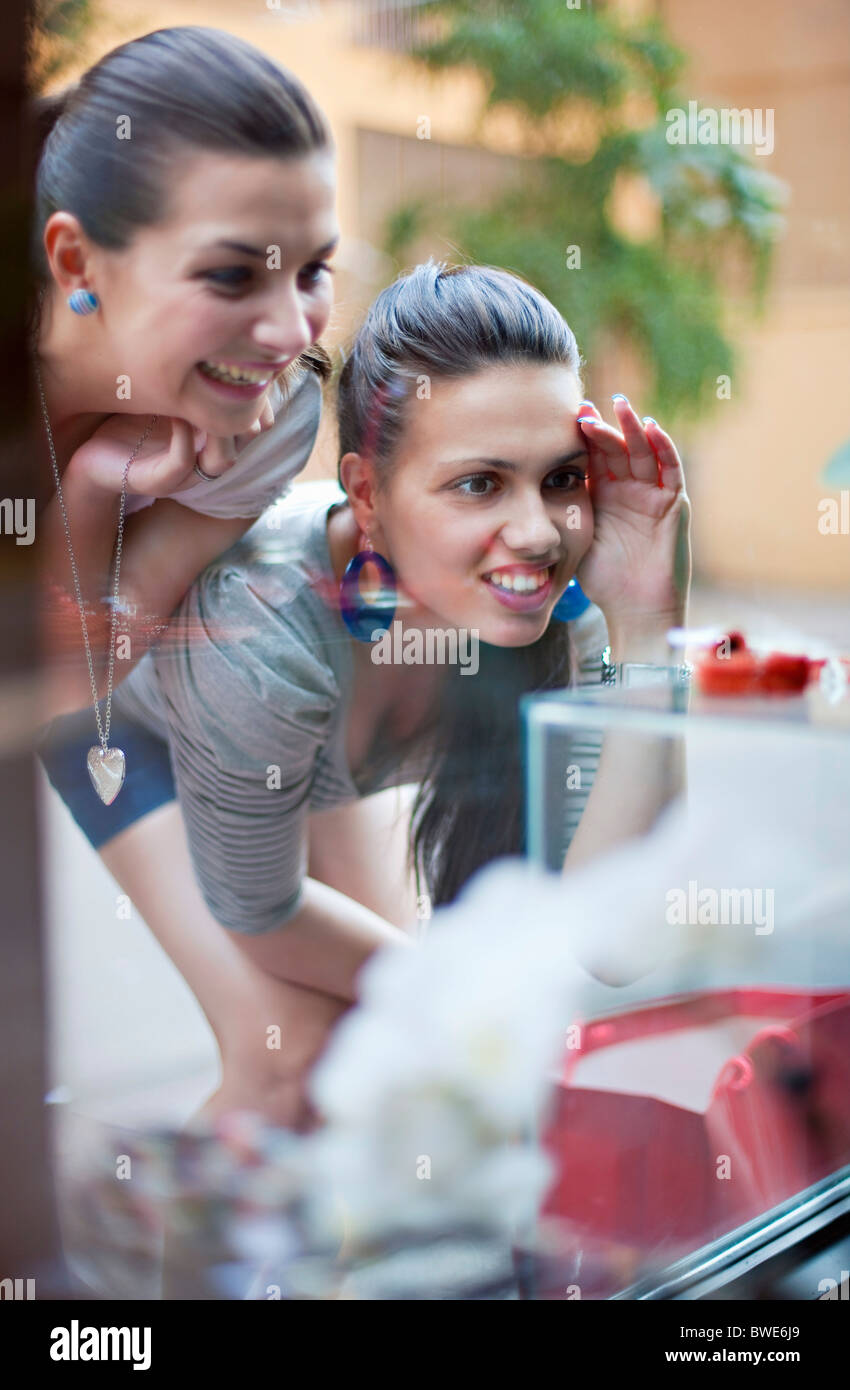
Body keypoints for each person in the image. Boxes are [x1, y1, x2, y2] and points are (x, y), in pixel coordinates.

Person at [86, 259, 691, 1123]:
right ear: (366, 493)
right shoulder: (260, 638)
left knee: (403, 1059)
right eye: (479, 483)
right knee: (297, 1061)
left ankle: (322, 1252)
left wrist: (648, 622)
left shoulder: (565, 609)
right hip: (125, 725)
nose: (535, 532)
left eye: (560, 478)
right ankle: (171, 1247)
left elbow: (614, 937)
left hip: (297, 747)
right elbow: (261, 909)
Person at [32, 25, 351, 1128]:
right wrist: (97, 483)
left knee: (339, 1063)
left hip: (179, 678)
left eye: (312, 271)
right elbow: (57, 686)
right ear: (77, 265)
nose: (286, 328)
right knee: (287, 1059)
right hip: (64, 704)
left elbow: (110, 637)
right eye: (230, 274)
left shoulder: (272, 401)